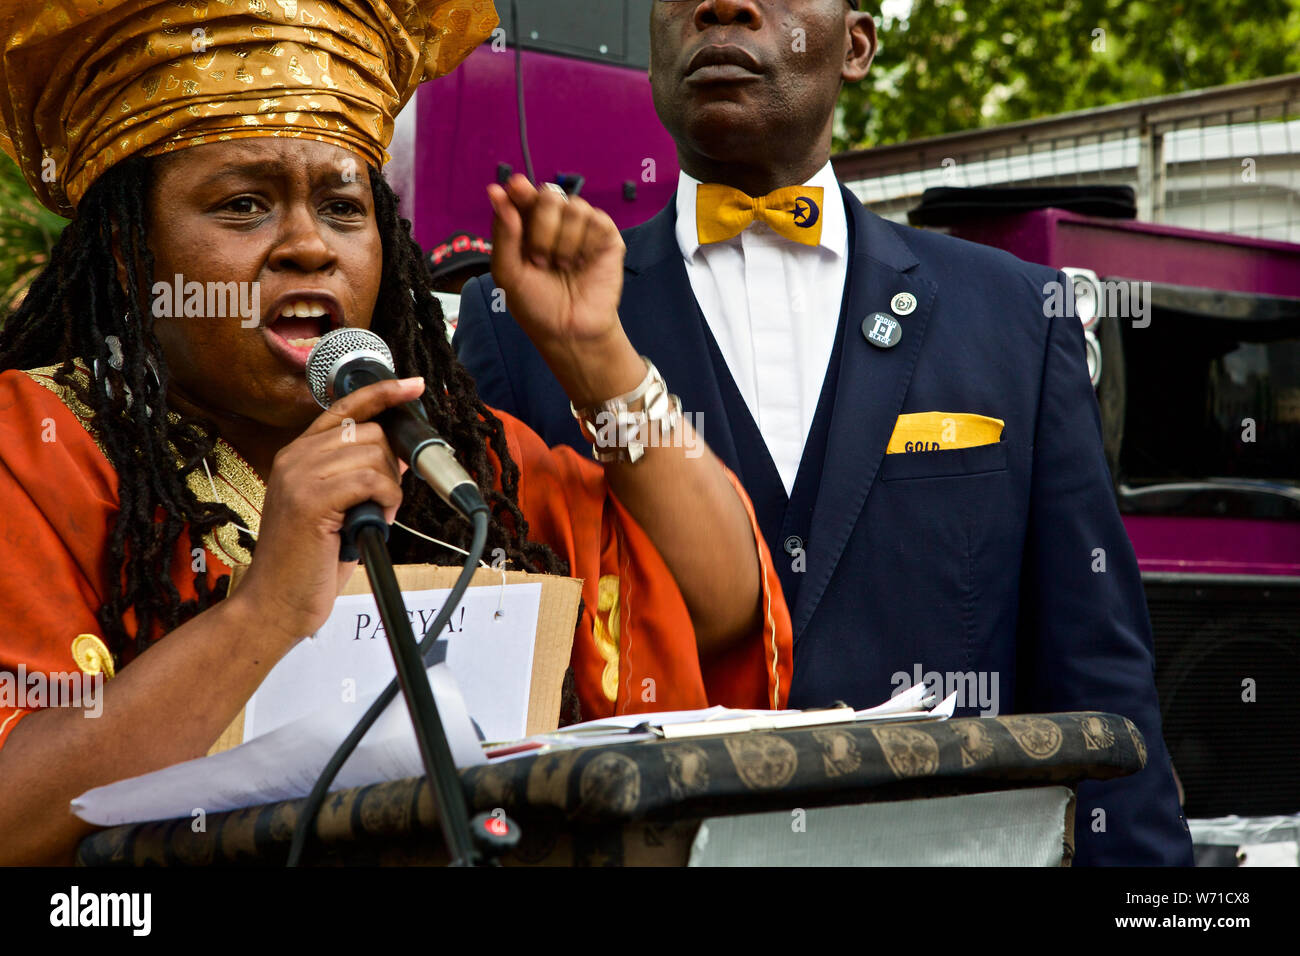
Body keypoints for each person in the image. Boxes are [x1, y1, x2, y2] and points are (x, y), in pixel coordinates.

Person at [0, 0, 791, 865]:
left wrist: (594, 353)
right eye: (242, 206)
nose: (309, 246)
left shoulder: (460, 459)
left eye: (342, 207)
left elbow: (723, 610)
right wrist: (265, 612)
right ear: (129, 255)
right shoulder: (38, 444)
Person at [455, 0, 1192, 865]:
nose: (721, 3)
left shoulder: (1017, 319)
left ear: (857, 44)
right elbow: (493, 706)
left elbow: (1099, 680)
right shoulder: (519, 328)